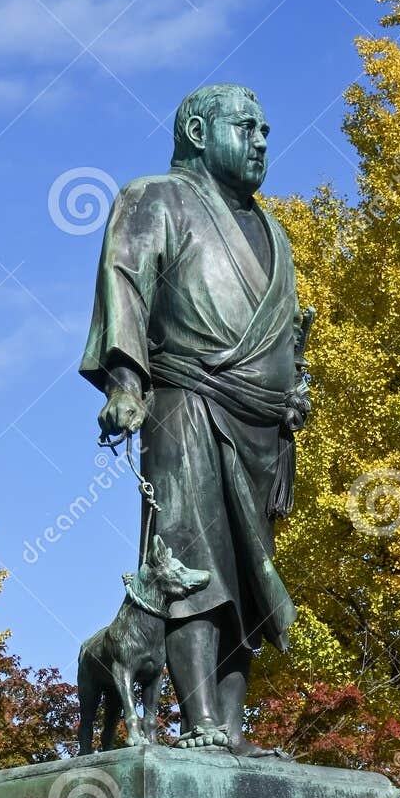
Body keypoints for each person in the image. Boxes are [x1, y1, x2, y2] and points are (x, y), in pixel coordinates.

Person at [81, 82, 311, 752]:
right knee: (190, 557)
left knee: (247, 580)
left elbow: (283, 334)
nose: (262, 139)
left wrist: (293, 390)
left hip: (262, 427)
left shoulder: (273, 231)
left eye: (266, 129)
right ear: (199, 132)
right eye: (247, 126)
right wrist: (126, 380)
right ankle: (200, 722)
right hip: (186, 402)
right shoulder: (153, 197)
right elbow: (125, 278)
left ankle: (230, 731)